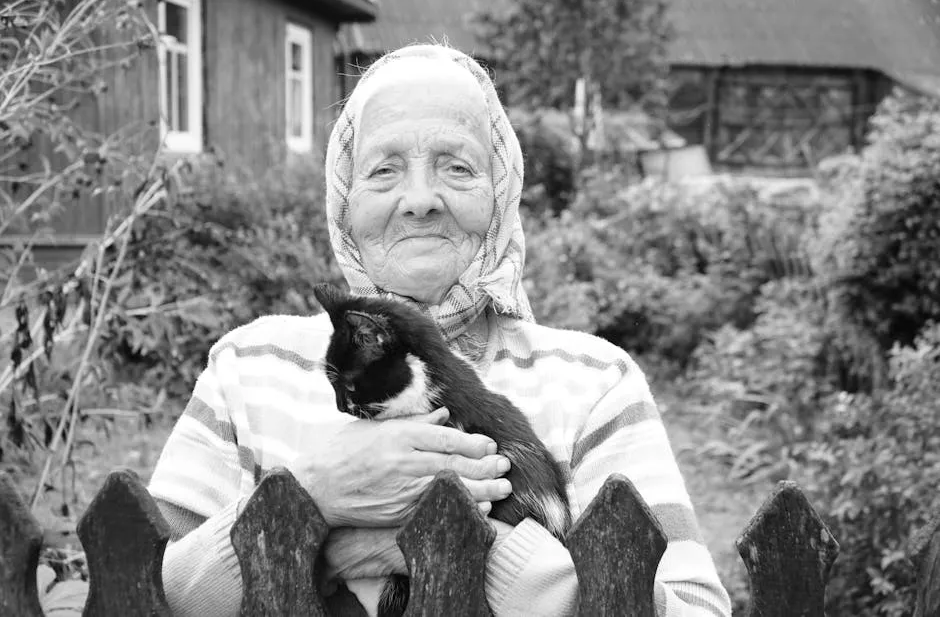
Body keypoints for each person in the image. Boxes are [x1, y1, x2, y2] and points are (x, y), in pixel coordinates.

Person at [147, 43, 733, 617]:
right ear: (344, 199)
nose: (420, 200)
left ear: (500, 193)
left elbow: (692, 608)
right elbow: (143, 592)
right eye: (384, 170)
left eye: (457, 167)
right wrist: (308, 500)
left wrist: (452, 540)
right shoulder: (248, 367)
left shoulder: (596, 384)